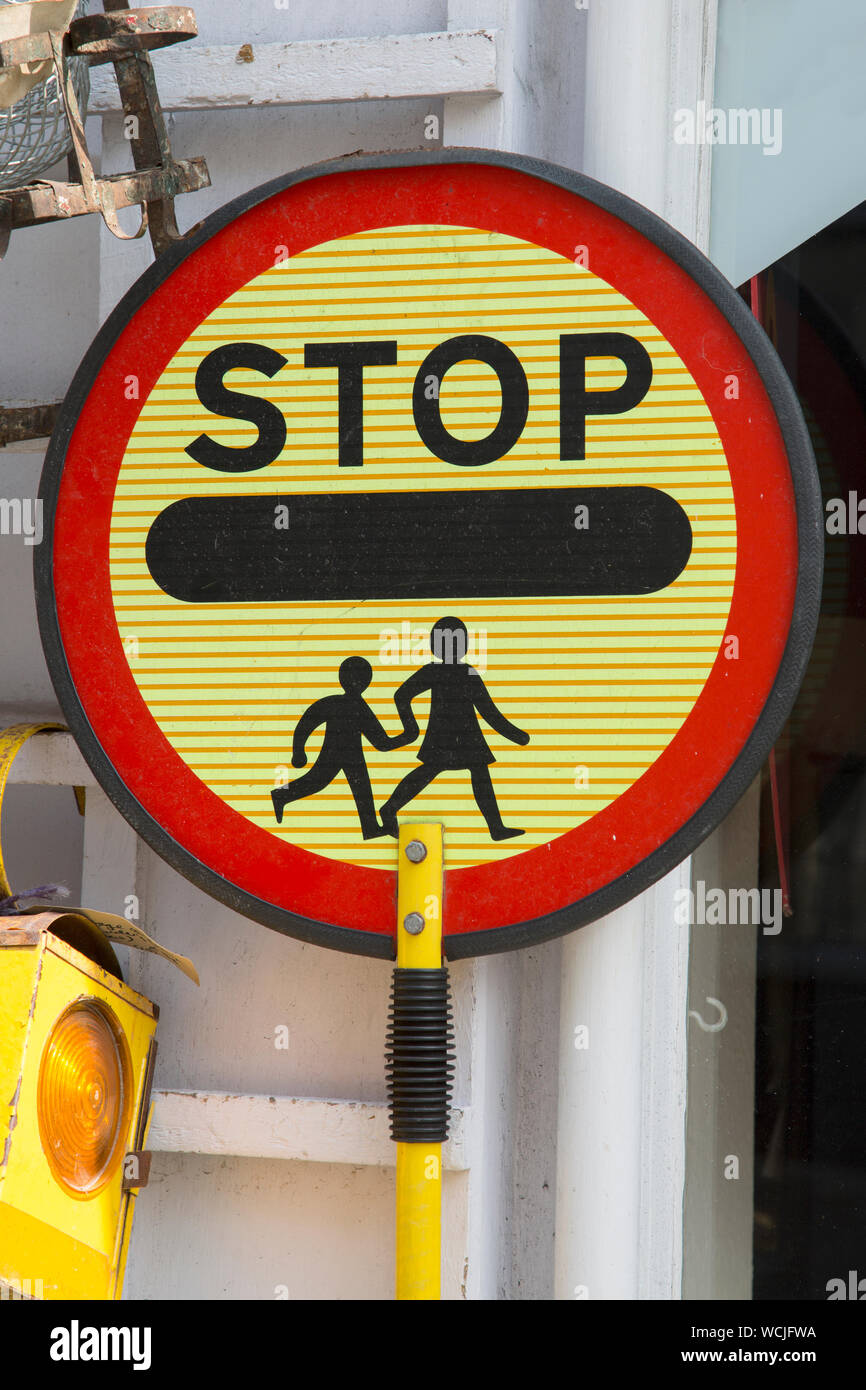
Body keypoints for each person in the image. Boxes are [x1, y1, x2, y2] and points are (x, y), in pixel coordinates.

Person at [380, 616, 530, 841]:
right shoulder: (440, 671)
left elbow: (487, 709)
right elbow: (401, 695)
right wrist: (411, 728)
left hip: (463, 735)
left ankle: (496, 828)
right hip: (448, 735)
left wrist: (514, 734)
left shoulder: (464, 671)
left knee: (471, 772)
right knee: (436, 772)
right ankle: (389, 808)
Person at [271, 656, 406, 839]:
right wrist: (298, 751)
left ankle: (371, 828)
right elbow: (307, 723)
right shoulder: (345, 704)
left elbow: (380, 741)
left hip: (350, 755)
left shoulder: (349, 704)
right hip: (337, 754)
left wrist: (404, 738)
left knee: (358, 790)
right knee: (319, 782)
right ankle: (280, 796)